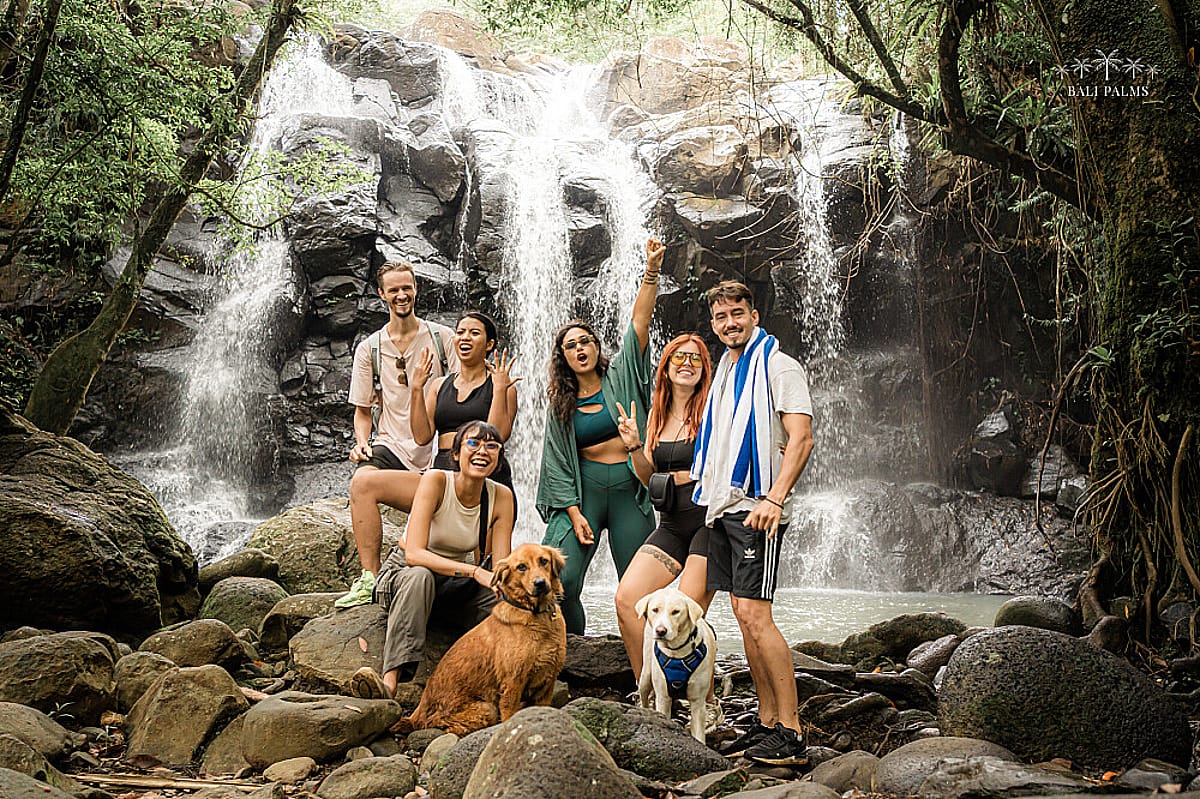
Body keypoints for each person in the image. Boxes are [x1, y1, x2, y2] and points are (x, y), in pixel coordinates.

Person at [690, 280, 814, 766]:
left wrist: (775, 499)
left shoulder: (779, 366)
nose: (729, 324)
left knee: (758, 617)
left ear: (754, 316)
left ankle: (792, 730)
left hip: (757, 507)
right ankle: (766, 721)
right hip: (725, 505)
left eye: (736, 314)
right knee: (743, 615)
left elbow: (800, 438)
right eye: (720, 318)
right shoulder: (726, 370)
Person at [537, 237, 665, 635]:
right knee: (563, 582)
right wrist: (573, 513)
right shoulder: (560, 405)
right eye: (571, 345)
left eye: (586, 341)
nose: (580, 349)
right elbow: (556, 462)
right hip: (585, 494)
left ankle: (648, 666)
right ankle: (571, 654)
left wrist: (652, 271)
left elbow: (639, 324)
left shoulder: (623, 374)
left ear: (596, 347)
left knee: (640, 588)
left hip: (629, 487)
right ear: (564, 357)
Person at [349, 421, 516, 700]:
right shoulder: (437, 481)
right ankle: (390, 682)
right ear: (456, 454)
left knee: (502, 596)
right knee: (420, 576)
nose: (482, 451)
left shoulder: (501, 497)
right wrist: (474, 571)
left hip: (453, 587)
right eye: (473, 444)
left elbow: (501, 567)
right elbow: (414, 553)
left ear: (499, 457)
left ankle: (508, 681)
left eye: (491, 446)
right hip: (405, 575)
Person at [337, 261, 458, 609]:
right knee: (361, 481)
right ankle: (369, 578)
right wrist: (362, 441)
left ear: (416, 289)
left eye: (407, 287)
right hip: (391, 443)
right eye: (394, 289)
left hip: (437, 447)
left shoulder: (442, 338)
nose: (401, 295)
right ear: (381, 294)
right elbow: (362, 412)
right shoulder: (370, 348)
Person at [611, 334, 716, 709]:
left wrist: (682, 477)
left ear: (704, 369)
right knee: (627, 599)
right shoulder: (656, 412)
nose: (686, 363)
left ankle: (703, 697)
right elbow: (647, 476)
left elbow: (722, 467)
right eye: (678, 358)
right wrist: (634, 446)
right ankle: (652, 690)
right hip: (671, 525)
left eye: (695, 358)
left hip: (709, 524)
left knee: (685, 609)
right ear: (667, 367)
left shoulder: (714, 409)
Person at [410, 311, 520, 513]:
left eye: (474, 333)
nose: (465, 337)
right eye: (460, 332)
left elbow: (498, 434)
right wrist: (416, 388)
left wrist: (498, 390)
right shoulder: (438, 385)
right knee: (367, 483)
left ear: (489, 345)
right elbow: (421, 436)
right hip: (444, 466)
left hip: (485, 469)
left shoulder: (504, 386)